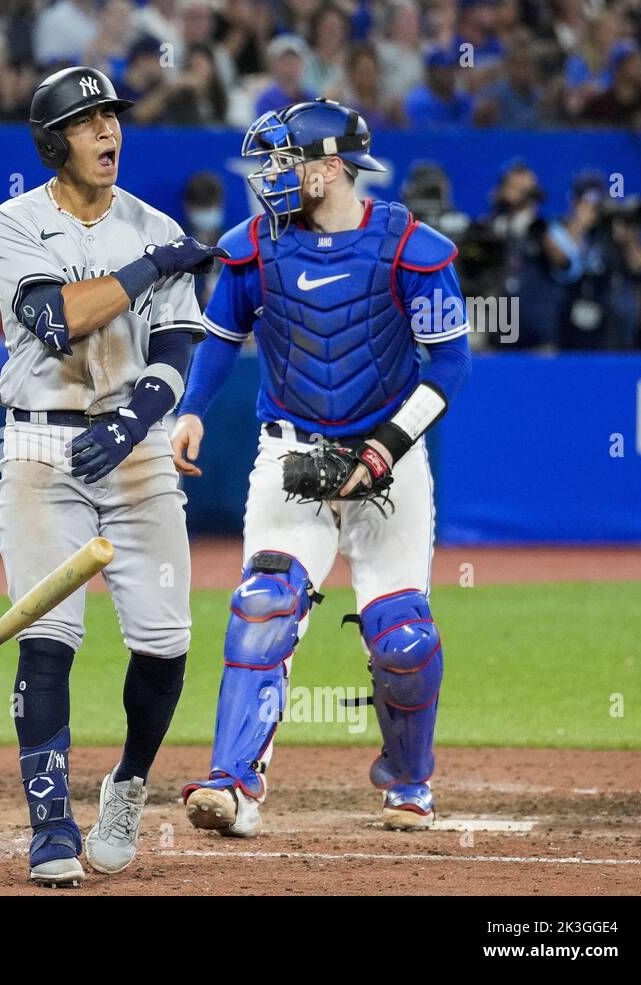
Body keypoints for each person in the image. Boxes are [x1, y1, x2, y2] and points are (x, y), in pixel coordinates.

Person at [173, 98, 471, 836]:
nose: (272, 174)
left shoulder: (411, 248)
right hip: (293, 451)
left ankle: (408, 780)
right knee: (262, 606)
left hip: (388, 459)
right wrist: (192, 408)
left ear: (330, 167)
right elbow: (220, 339)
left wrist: (384, 447)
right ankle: (232, 784)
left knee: (403, 638)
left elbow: (450, 365)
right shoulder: (254, 246)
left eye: (287, 160)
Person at [0, 66, 223, 886]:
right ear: (54, 143)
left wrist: (131, 421)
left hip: (137, 449)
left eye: (112, 116)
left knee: (166, 641)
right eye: (88, 121)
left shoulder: (155, 223)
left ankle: (128, 784)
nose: (108, 130)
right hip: (41, 449)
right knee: (47, 638)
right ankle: (50, 826)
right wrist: (151, 266)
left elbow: (178, 347)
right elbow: (56, 321)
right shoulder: (9, 223)